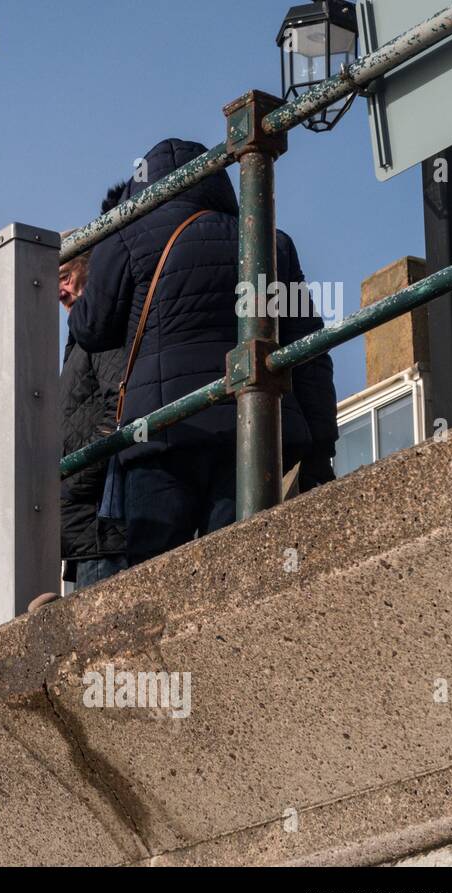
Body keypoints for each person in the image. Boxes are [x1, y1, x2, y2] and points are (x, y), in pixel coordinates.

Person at [68, 138, 338, 566]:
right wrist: (321, 447)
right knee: (237, 562)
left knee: (155, 573)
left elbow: (92, 327)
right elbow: (310, 354)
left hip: (161, 434)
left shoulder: (125, 237)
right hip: (252, 429)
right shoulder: (271, 241)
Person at [59, 207, 130, 591]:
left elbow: (118, 406)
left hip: (102, 528)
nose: (59, 291)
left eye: (65, 277)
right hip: (86, 535)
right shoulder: (80, 336)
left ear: (92, 267)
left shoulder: (102, 327)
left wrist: (71, 483)